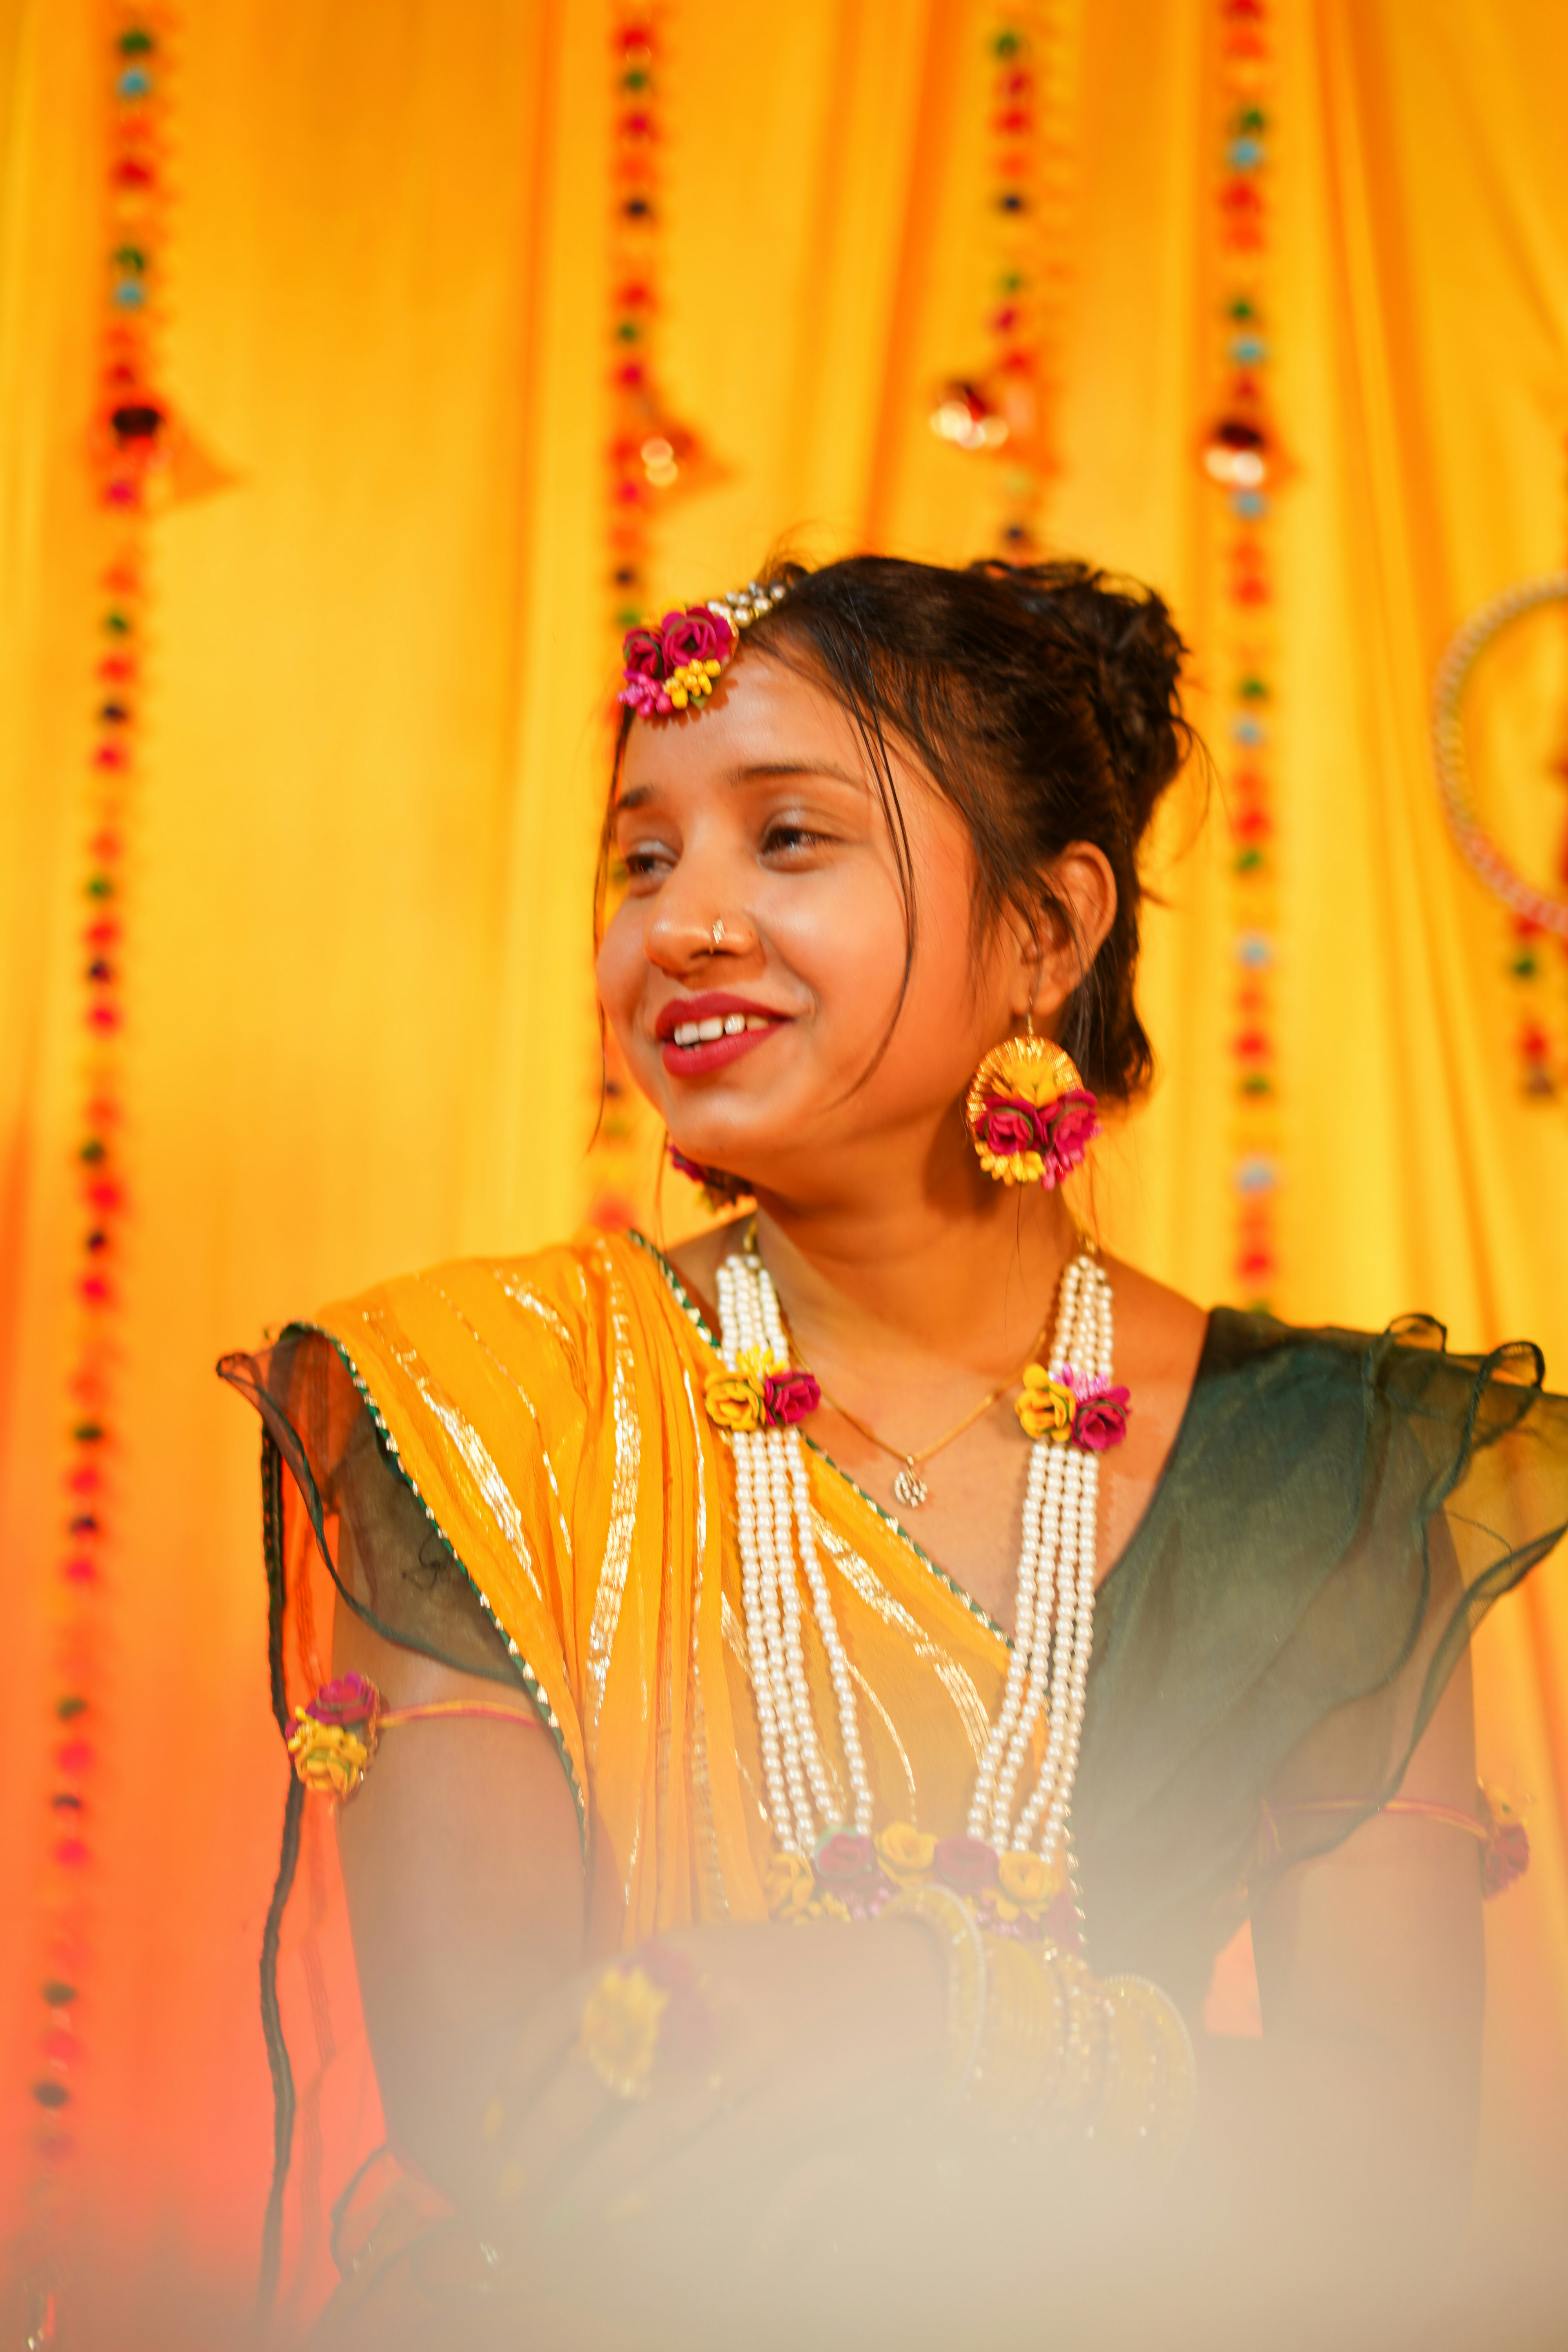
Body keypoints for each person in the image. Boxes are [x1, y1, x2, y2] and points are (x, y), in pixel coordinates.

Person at [221, 555, 1568, 2351]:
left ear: (1045, 931)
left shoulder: (1323, 1467)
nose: (683, 923)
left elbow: (1381, 2165)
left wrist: (927, 2014)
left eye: (787, 839)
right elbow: (508, 2109)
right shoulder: (477, 1407)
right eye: (642, 856)